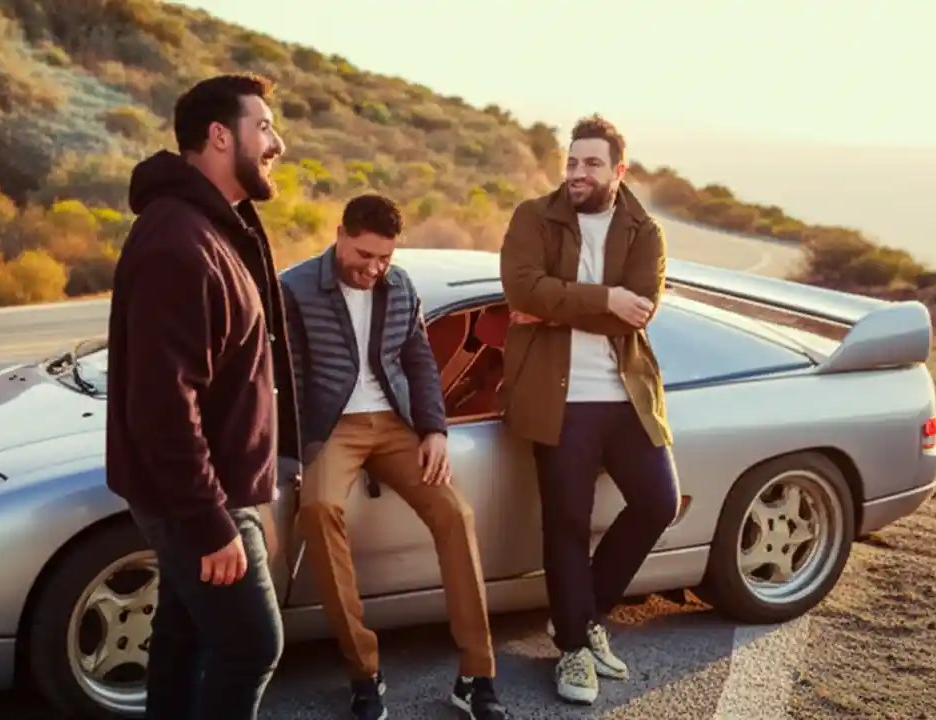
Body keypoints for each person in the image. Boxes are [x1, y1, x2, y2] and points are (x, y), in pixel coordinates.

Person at [104, 73, 302, 720]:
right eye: (263, 127)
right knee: (251, 645)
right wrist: (212, 522)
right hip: (198, 497)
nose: (277, 143)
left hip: (210, 489)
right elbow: (162, 405)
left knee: (185, 636)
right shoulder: (178, 242)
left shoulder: (210, 227)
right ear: (220, 136)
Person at [281, 194, 510, 720]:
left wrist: (434, 429)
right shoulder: (295, 287)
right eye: (364, 255)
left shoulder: (400, 285)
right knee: (317, 508)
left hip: (395, 423)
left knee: (455, 514)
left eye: (384, 257)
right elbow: (287, 374)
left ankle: (476, 675)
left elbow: (419, 359)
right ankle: (364, 672)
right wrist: (295, 449)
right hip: (331, 427)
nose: (374, 268)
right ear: (340, 235)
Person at [498, 114, 682, 706]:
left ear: (618, 170)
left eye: (592, 163)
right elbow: (522, 289)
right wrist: (606, 298)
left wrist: (555, 308)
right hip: (561, 399)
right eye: (572, 162)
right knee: (568, 524)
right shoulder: (534, 217)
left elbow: (640, 312)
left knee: (658, 502)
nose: (578, 173)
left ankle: (580, 616)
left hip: (627, 395)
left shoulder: (644, 231)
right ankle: (574, 649)